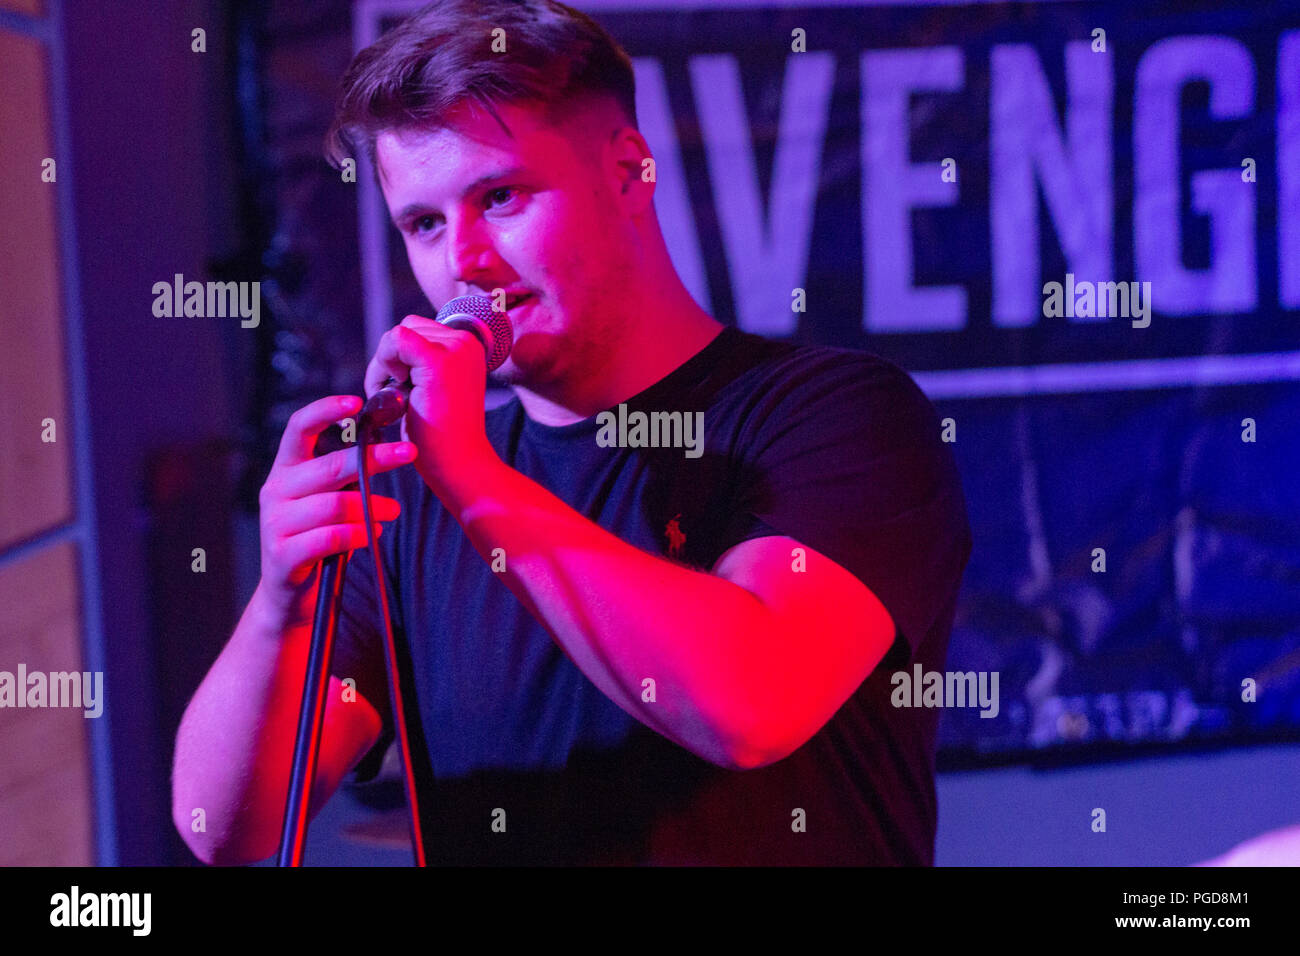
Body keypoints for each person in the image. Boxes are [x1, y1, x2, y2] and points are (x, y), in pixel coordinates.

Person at [172, 0, 972, 866]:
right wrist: (279, 602)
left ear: (628, 172)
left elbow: (750, 705)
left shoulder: (835, 413)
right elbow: (225, 828)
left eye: (501, 196)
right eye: (426, 224)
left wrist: (476, 483)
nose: (464, 261)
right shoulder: (409, 486)